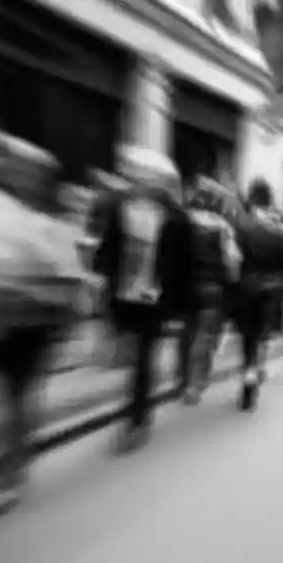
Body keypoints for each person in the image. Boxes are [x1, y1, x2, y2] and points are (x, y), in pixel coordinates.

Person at [92, 147, 197, 453]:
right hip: (122, 295)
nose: (137, 182)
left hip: (155, 300)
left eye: (145, 178)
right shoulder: (119, 208)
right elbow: (107, 248)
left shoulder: (178, 219)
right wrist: (101, 275)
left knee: (143, 359)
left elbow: (184, 267)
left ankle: (137, 419)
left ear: (160, 183)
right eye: (135, 176)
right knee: (127, 355)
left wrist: (182, 309)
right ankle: (137, 411)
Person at [230, 178, 283, 410]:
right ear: (269, 201)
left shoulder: (242, 226)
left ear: (251, 198)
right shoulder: (282, 232)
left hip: (247, 288)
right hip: (273, 290)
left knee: (248, 335)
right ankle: (256, 368)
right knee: (262, 335)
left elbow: (233, 259)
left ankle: (248, 371)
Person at [181, 177, 239, 404]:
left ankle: (187, 378)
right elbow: (232, 260)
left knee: (189, 333)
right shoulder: (222, 226)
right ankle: (195, 382)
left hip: (187, 286)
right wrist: (232, 282)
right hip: (212, 288)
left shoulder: (184, 220)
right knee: (205, 337)